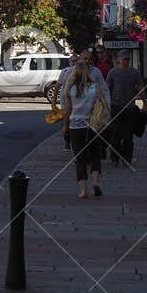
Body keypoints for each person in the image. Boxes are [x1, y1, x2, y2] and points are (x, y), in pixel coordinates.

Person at [61, 53, 106, 199]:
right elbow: (102, 106)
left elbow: (67, 110)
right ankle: (95, 182)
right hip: (93, 126)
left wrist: (65, 125)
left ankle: (83, 191)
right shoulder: (95, 87)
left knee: (80, 159)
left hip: (76, 127)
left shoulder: (70, 89)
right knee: (95, 156)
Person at [105, 51, 146, 166]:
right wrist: (105, 104)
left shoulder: (134, 73)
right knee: (115, 134)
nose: (125, 61)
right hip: (115, 106)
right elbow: (107, 88)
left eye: (127, 59)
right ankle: (115, 158)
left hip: (130, 107)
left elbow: (140, 87)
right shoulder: (113, 72)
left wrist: (144, 102)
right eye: (123, 59)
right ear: (118, 59)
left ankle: (127, 158)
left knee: (128, 135)